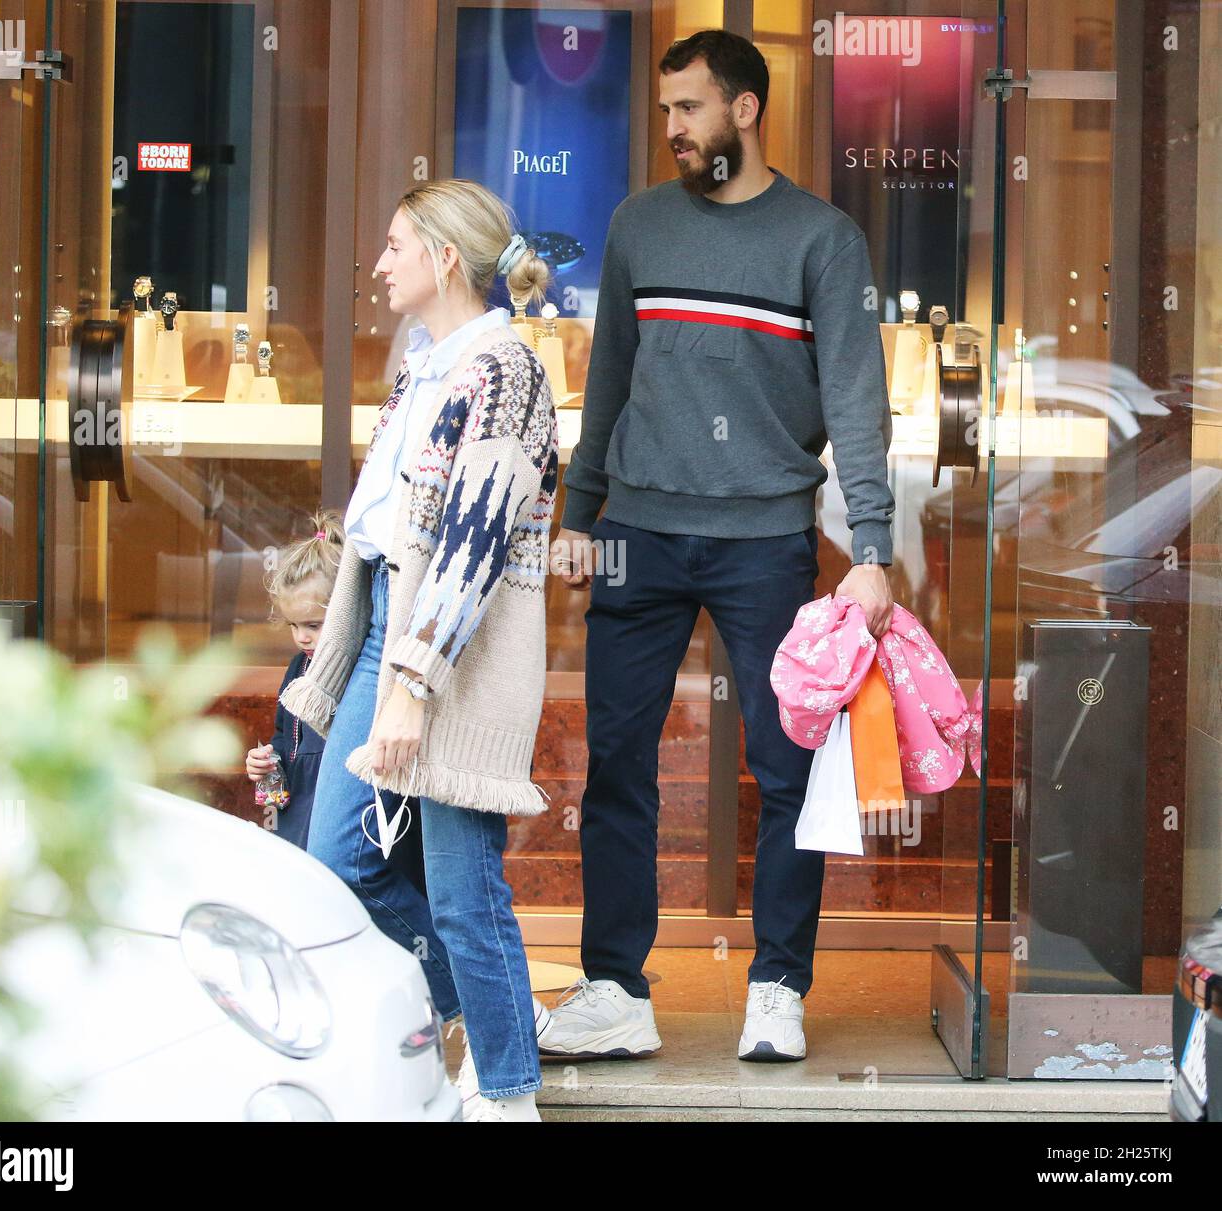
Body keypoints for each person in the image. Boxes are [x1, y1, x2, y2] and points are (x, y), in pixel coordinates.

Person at [542, 30, 896, 1064]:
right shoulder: (638, 225)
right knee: (616, 765)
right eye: (665, 111)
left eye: (689, 108)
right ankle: (616, 988)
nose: (672, 128)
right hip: (637, 534)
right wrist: (578, 514)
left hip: (765, 541)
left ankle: (777, 985)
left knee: (787, 769)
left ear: (745, 109)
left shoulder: (821, 239)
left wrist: (871, 545)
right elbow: (609, 380)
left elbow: (856, 403)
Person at [281, 179, 559, 1122]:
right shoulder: (425, 367)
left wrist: (414, 682)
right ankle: (492, 1015)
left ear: (445, 257)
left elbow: (473, 546)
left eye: (395, 245)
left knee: (461, 887)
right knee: (338, 864)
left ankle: (509, 1087)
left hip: (453, 655)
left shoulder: (505, 372)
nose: (379, 265)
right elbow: (383, 527)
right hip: (387, 637)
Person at [244, 510, 344, 849]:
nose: (302, 637)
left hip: (336, 816)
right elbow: (285, 737)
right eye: (293, 625)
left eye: (313, 625)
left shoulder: (358, 674)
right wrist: (267, 761)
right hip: (296, 816)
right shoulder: (297, 668)